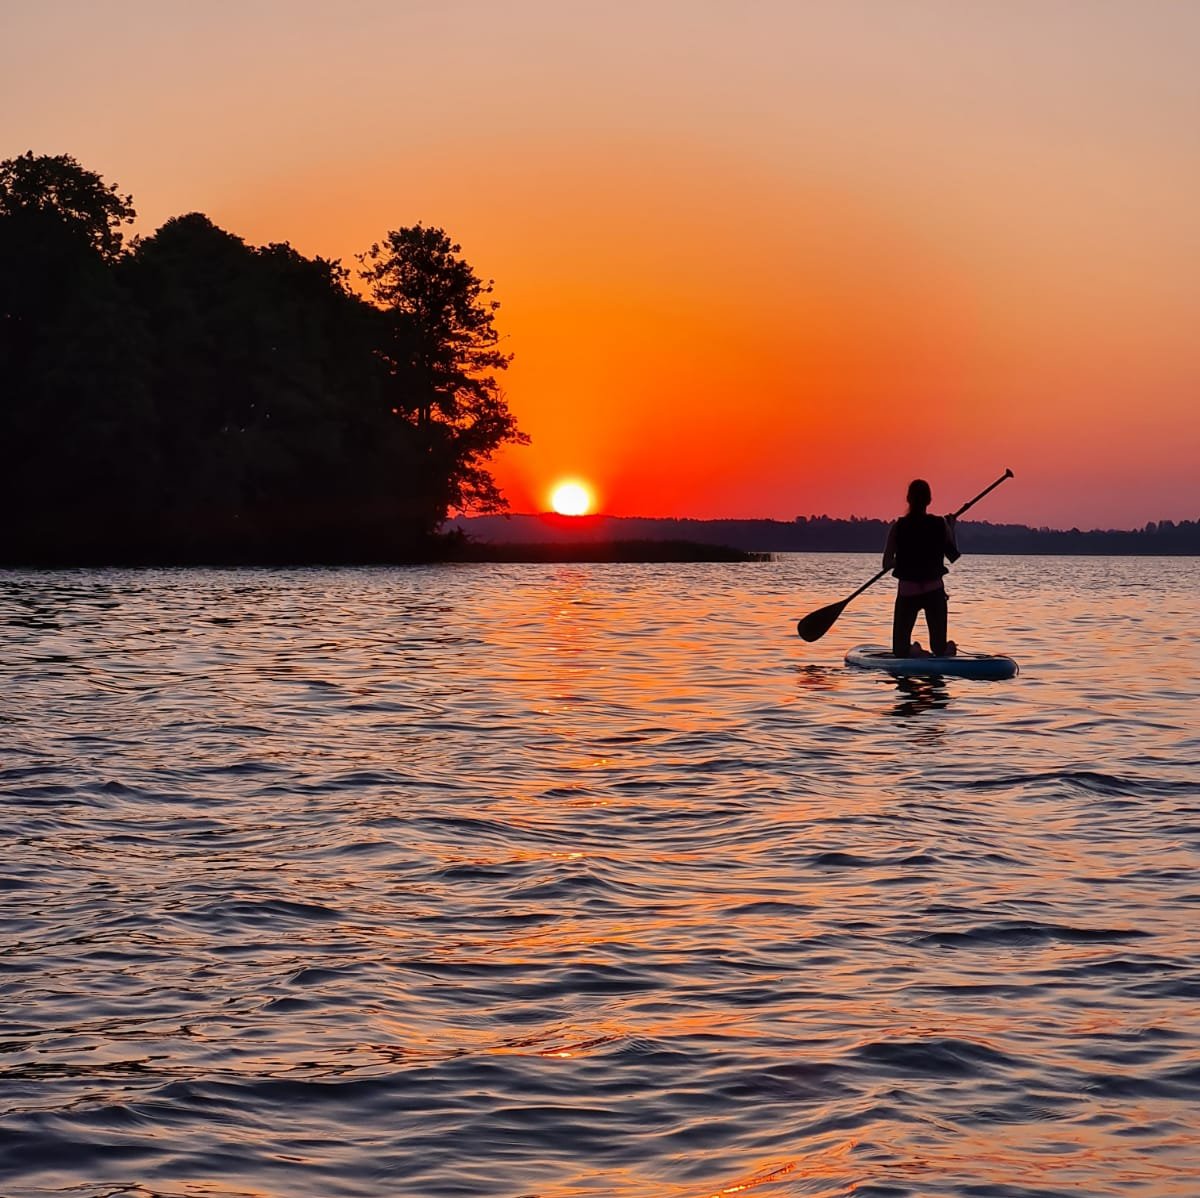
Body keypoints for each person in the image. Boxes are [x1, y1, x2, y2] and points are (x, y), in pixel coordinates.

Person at [882, 479, 959, 658]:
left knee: (900, 652)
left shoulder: (898, 526)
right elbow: (953, 556)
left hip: (908, 593)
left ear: (908, 499)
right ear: (929, 500)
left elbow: (886, 563)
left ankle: (914, 650)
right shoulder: (940, 524)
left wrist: (900, 561)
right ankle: (945, 649)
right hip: (934, 592)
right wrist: (952, 528)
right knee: (939, 649)